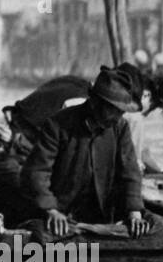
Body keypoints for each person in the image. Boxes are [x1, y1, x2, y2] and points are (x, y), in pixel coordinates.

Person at [20, 66, 152, 238]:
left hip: (102, 212)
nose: (117, 116)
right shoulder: (58, 124)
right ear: (95, 102)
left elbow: (130, 171)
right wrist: (51, 210)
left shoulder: (120, 127)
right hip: (64, 212)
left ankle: (89, 230)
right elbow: (37, 171)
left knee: (151, 224)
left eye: (121, 112)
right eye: (114, 110)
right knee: (42, 232)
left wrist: (134, 212)